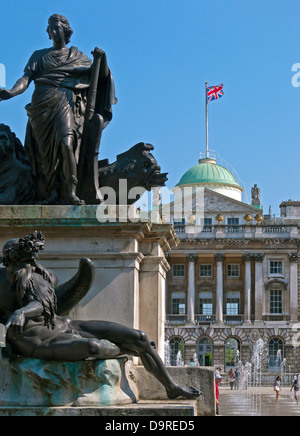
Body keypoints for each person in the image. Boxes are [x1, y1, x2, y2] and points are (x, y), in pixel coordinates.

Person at [0, 231, 200, 401]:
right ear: (10, 261)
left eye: (31, 261)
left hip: (67, 325)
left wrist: (22, 311)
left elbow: (44, 304)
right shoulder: (2, 283)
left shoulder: (44, 276)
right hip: (37, 342)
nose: (29, 266)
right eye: (23, 262)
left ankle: (171, 387)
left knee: (139, 336)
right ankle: (129, 351)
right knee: (93, 347)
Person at [0, 14, 117, 205]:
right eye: (50, 28)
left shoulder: (77, 56)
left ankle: (70, 191)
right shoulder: (38, 56)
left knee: (66, 143)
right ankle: (51, 194)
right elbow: (25, 79)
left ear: (65, 30)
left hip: (65, 102)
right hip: (41, 107)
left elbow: (99, 74)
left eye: (56, 27)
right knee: (44, 155)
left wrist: (101, 60)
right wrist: (12, 92)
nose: (53, 31)